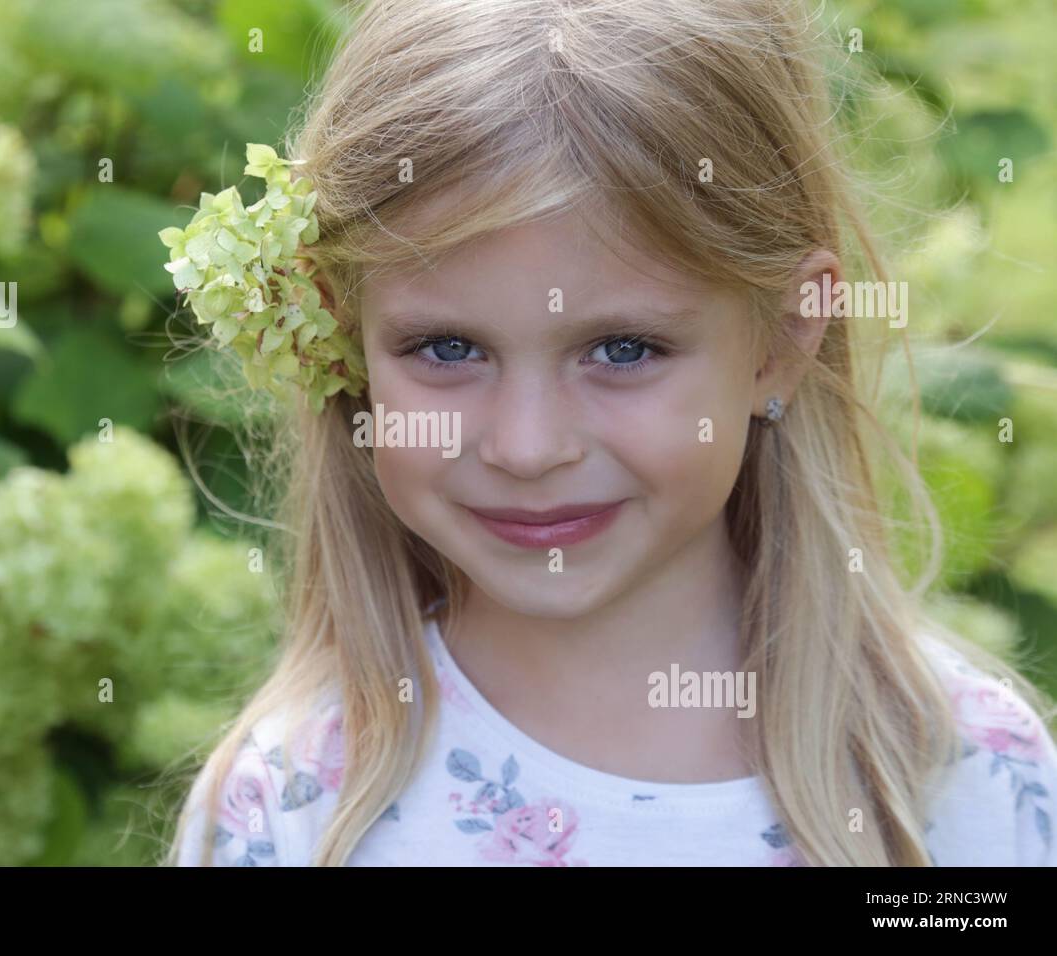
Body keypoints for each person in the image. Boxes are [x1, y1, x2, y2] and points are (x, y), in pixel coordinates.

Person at [165, 0, 1057, 866]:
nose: (527, 446)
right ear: (342, 338)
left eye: (622, 349)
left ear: (784, 339)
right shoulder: (290, 807)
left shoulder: (963, 778)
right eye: (447, 348)